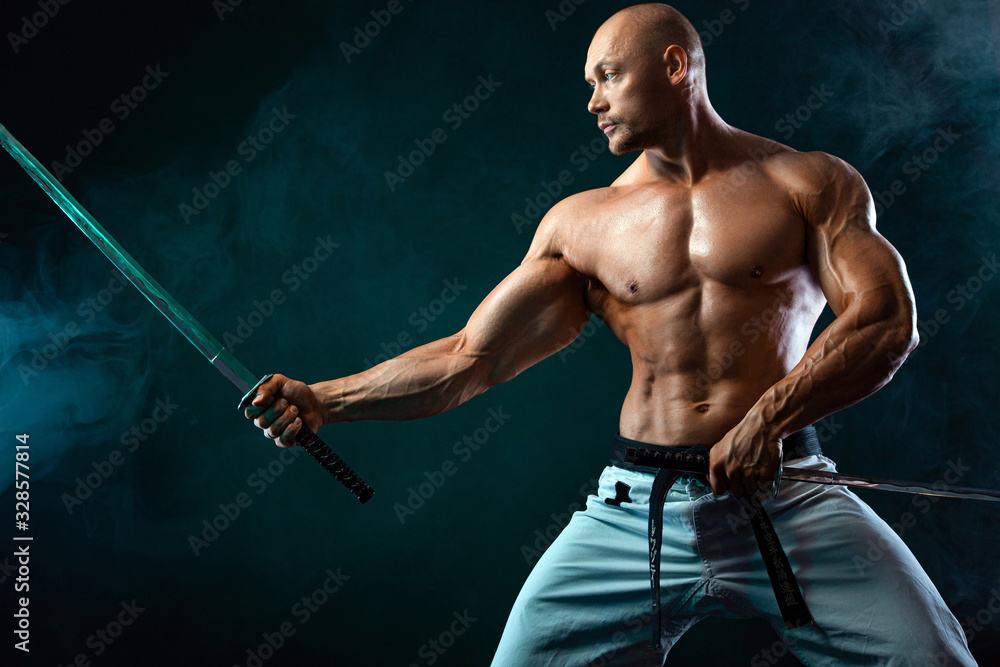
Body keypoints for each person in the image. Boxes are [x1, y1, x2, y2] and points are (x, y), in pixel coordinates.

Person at [243, 4, 978, 665]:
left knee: (934, 658)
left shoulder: (808, 182)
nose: (592, 101)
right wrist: (324, 398)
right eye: (589, 83)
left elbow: (887, 320)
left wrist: (769, 417)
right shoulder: (581, 221)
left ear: (673, 64)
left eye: (607, 76)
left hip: (789, 496)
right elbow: (471, 359)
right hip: (633, 511)